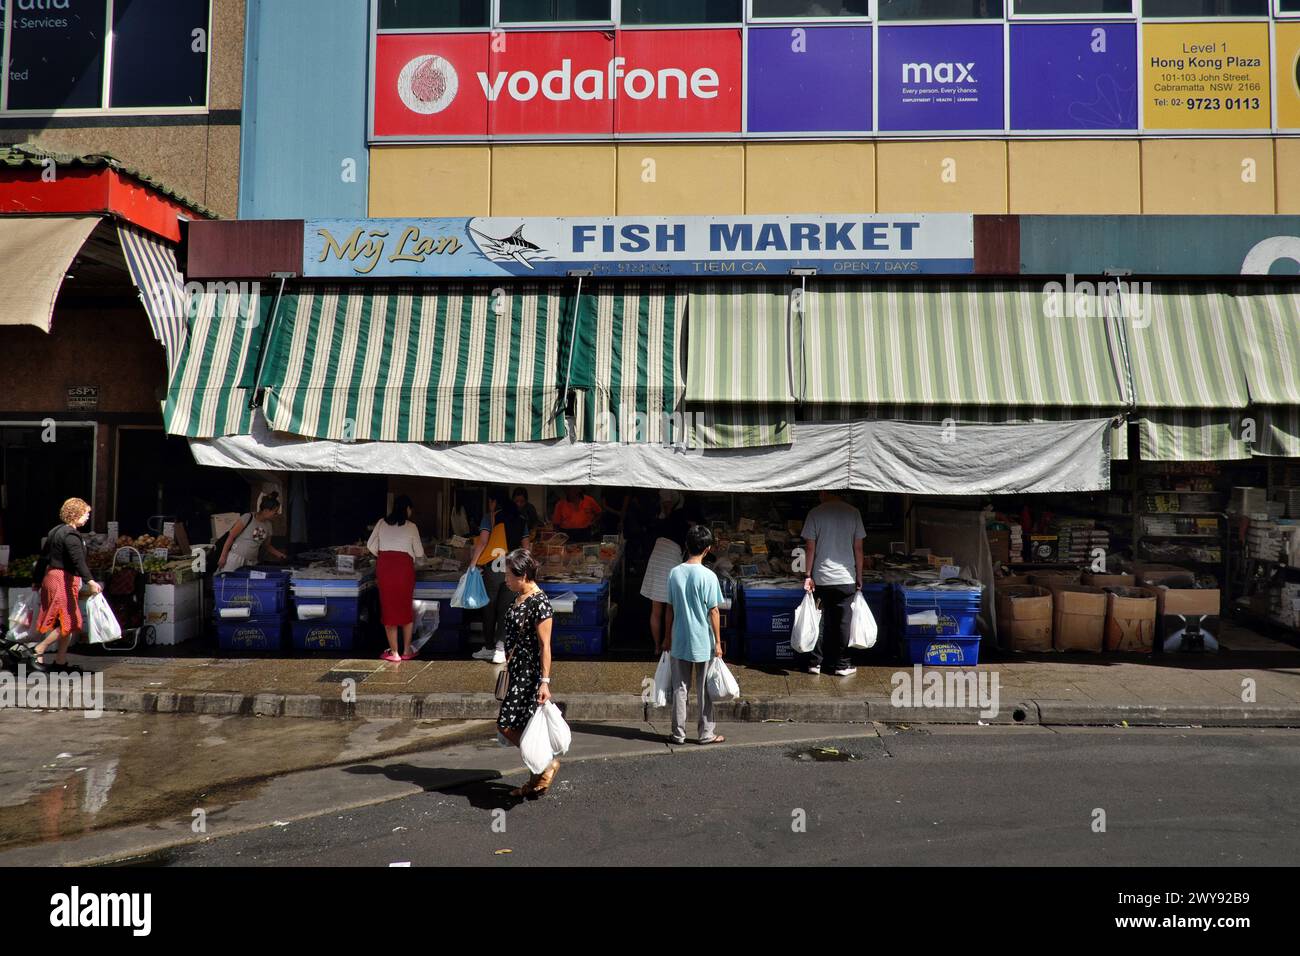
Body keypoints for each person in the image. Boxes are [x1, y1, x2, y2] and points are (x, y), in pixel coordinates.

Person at [495, 549, 559, 798]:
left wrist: (544, 682)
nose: (505, 580)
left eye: (509, 575)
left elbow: (546, 646)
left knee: (506, 724)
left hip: (529, 676)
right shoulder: (519, 596)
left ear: (522, 575)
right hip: (516, 671)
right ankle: (535, 779)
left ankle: (544, 763)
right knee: (523, 725)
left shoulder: (539, 602)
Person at [664, 525, 725, 746]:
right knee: (704, 690)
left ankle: (678, 734)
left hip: (679, 638)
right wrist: (718, 642)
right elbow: (714, 611)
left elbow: (669, 609)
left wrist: (666, 637)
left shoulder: (674, 573)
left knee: (680, 689)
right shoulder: (709, 576)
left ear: (686, 546)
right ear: (707, 549)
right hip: (703, 640)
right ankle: (705, 734)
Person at [30, 498, 102, 673]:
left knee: (64, 622)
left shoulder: (55, 531)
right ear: (75, 514)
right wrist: (91, 581)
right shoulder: (71, 535)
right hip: (62, 580)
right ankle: (38, 649)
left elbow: (43, 558)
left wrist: (37, 580)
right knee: (69, 622)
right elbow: (79, 561)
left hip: (52, 578)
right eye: (86, 513)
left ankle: (60, 661)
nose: (87, 517)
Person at [801, 490, 866, 677]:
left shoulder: (815, 513)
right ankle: (842, 665)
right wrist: (859, 575)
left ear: (826, 491)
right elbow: (859, 548)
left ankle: (815, 663)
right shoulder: (853, 512)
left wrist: (807, 574)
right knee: (844, 622)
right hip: (846, 577)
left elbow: (810, 547)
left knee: (818, 619)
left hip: (821, 577)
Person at [469, 487, 529, 664]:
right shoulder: (521, 519)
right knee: (506, 609)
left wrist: (473, 564)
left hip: (494, 568)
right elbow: (526, 547)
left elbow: (483, 541)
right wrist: (526, 570)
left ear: (494, 501)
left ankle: (488, 647)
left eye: (490, 501)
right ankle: (500, 649)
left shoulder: (491, 517)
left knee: (489, 608)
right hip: (513, 569)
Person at [367, 495, 424, 663]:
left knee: (389, 608)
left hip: (385, 568)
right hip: (404, 570)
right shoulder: (411, 527)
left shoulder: (381, 523)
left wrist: (383, 555)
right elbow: (419, 553)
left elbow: (370, 545)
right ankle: (406, 650)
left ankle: (394, 652)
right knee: (405, 607)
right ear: (407, 509)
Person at [642, 489, 693, 655]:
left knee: (656, 609)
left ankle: (656, 647)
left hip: (657, 556)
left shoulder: (663, 519)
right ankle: (667, 642)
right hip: (671, 557)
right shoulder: (684, 524)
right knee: (670, 607)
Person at [216, 492, 286, 573]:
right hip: (235, 559)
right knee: (229, 582)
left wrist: (279, 555)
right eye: (275, 512)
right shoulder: (248, 517)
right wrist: (223, 556)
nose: (276, 514)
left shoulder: (269, 525)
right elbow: (231, 536)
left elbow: (266, 545)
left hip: (251, 562)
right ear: (266, 510)